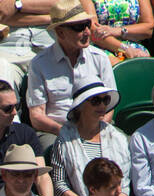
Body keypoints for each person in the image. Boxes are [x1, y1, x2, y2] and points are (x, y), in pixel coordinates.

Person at [21, 0, 114, 150]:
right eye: (78, 27)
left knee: (122, 144)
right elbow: (37, 117)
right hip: (55, 130)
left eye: (87, 24)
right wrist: (66, 132)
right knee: (55, 149)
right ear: (60, 32)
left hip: (97, 126)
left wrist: (92, 130)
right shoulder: (39, 63)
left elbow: (109, 107)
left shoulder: (100, 58)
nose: (87, 32)